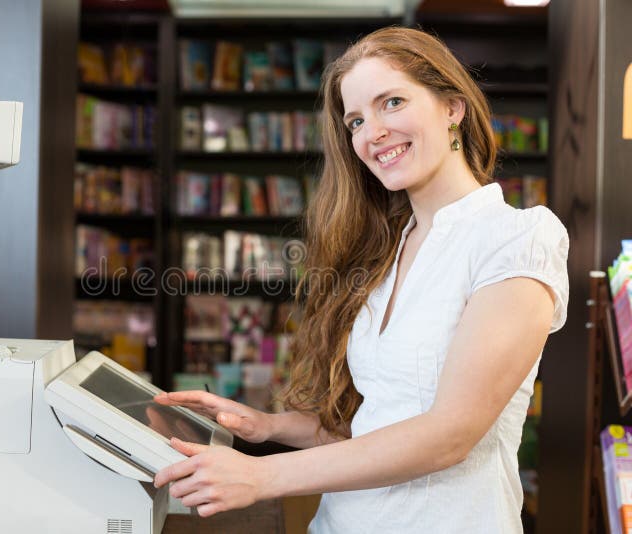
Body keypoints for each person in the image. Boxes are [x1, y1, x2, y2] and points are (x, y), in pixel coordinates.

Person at [153, 26, 569, 533]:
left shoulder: (518, 239)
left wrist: (263, 476)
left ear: (452, 107)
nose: (371, 134)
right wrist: (267, 428)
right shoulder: (389, 249)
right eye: (355, 120)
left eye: (392, 102)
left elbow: (449, 435)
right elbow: (381, 423)